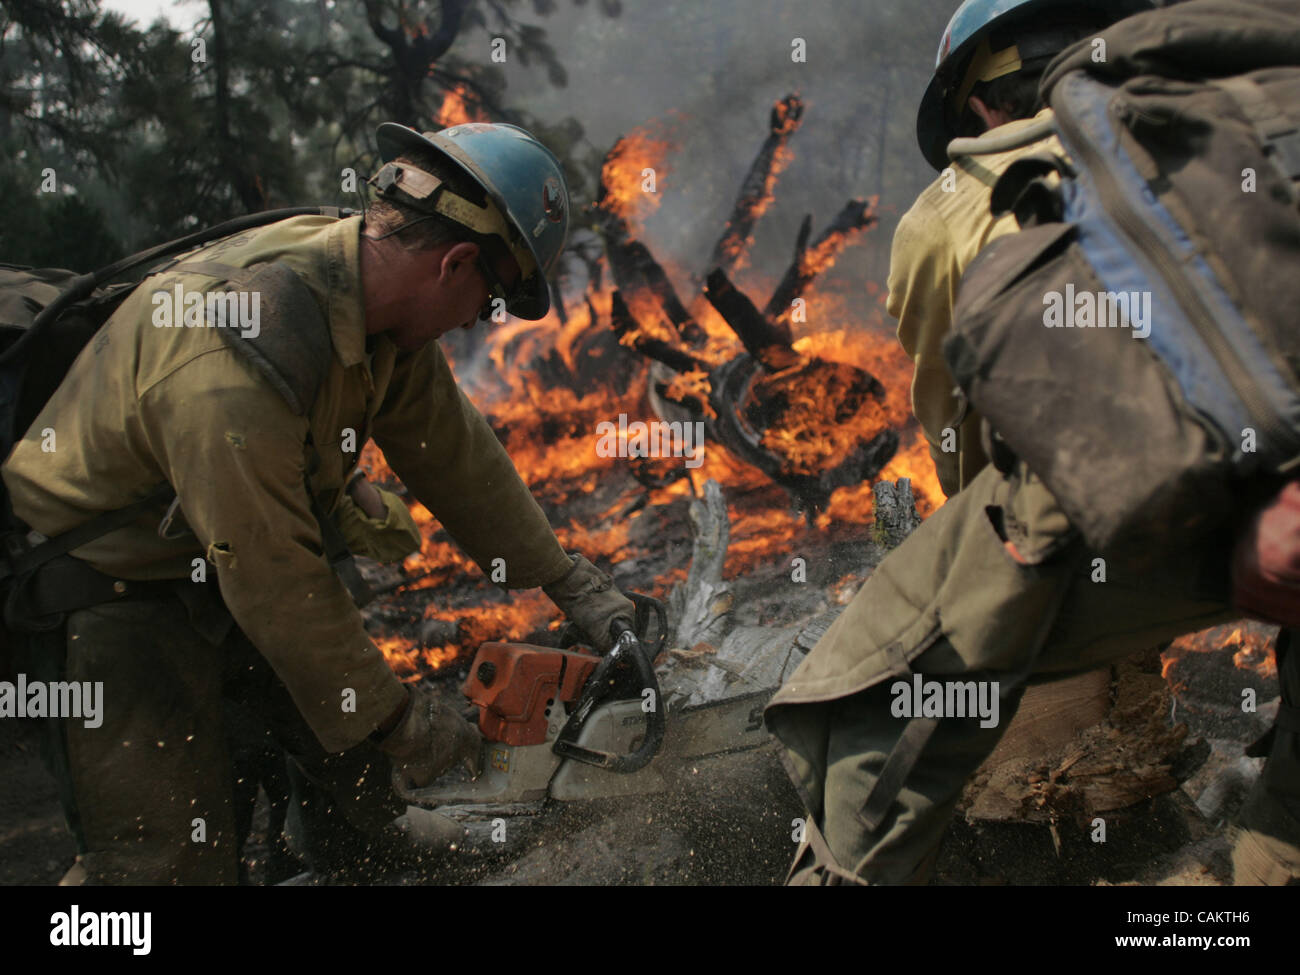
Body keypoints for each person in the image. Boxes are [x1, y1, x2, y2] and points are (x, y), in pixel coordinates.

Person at [1, 121, 636, 884]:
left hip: (218, 561)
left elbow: (456, 457)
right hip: (110, 589)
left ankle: (346, 855)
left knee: (362, 793)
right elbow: (274, 580)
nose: (477, 317)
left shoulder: (375, 312)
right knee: (162, 865)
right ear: (456, 260)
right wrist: (401, 721)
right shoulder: (236, 346)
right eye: (489, 296)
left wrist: (568, 580)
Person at [764, 0, 1300, 885]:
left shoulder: (954, 204)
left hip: (1154, 491)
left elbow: (963, 427)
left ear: (977, 104)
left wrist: (993, 564)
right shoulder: (1223, 122)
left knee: (869, 692)